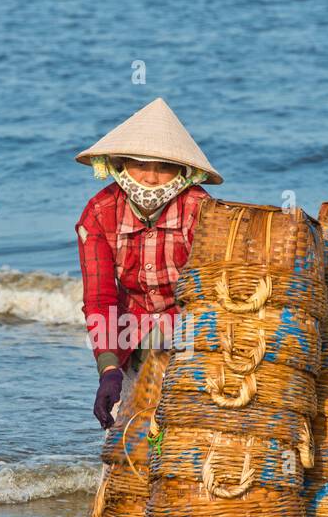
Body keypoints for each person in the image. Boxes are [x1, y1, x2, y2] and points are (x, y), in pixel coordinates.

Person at [73, 98, 223, 427]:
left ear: (184, 171)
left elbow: (214, 293)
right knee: (128, 438)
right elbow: (99, 300)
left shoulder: (201, 210)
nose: (152, 178)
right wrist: (109, 369)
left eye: (164, 166)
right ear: (121, 164)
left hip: (192, 336)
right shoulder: (99, 212)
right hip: (132, 338)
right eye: (141, 164)